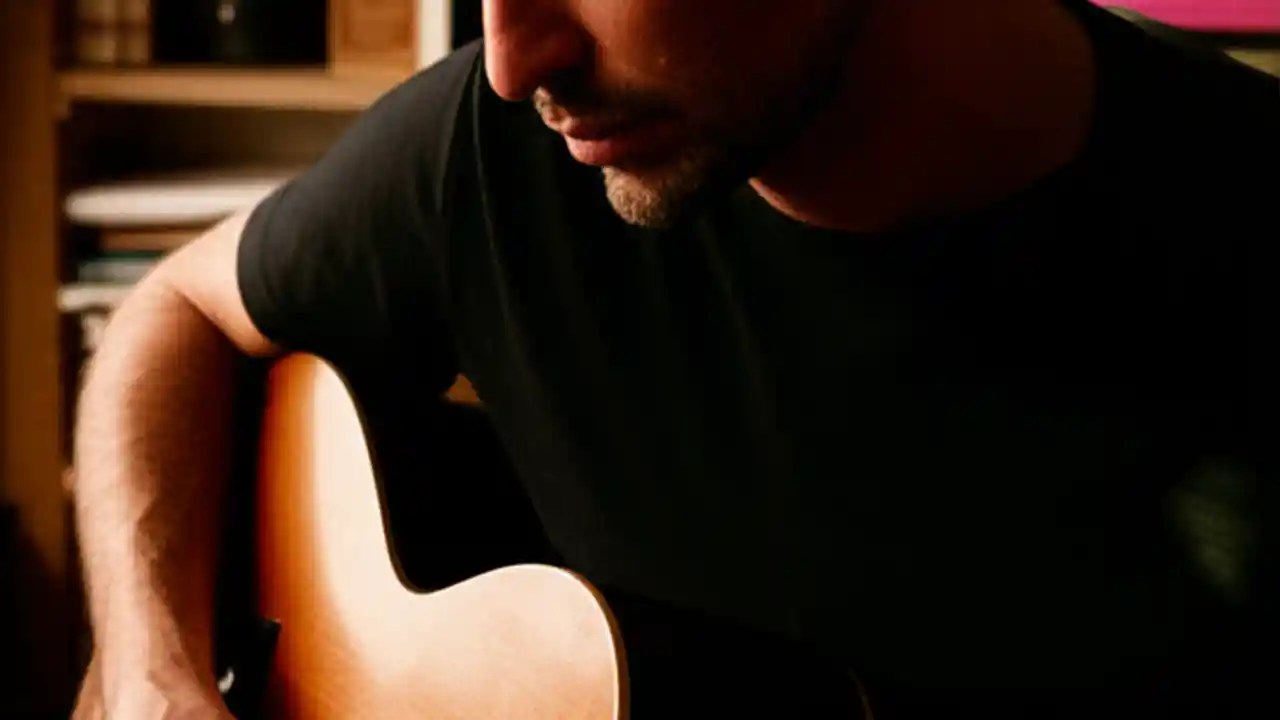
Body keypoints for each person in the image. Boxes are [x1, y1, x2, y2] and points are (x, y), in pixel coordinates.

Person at [72, 0, 1278, 717]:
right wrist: (149, 668)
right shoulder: (490, 156)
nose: (512, 58)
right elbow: (172, 311)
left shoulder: (1226, 223)